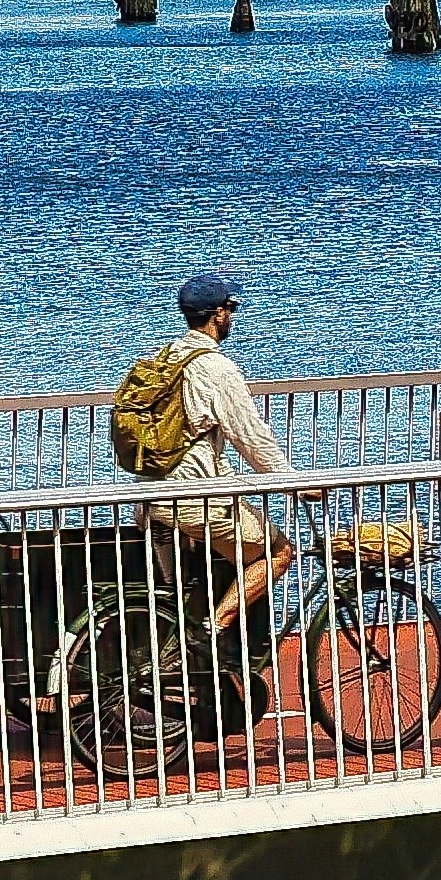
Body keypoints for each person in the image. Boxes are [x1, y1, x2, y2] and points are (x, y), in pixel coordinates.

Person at [145, 268, 292, 645]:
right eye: (231, 309)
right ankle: (215, 630)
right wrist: (291, 482)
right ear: (219, 314)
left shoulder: (165, 359)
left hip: (147, 494)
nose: (232, 317)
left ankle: (197, 648)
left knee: (211, 563)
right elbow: (249, 434)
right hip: (193, 496)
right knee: (277, 552)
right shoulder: (216, 368)